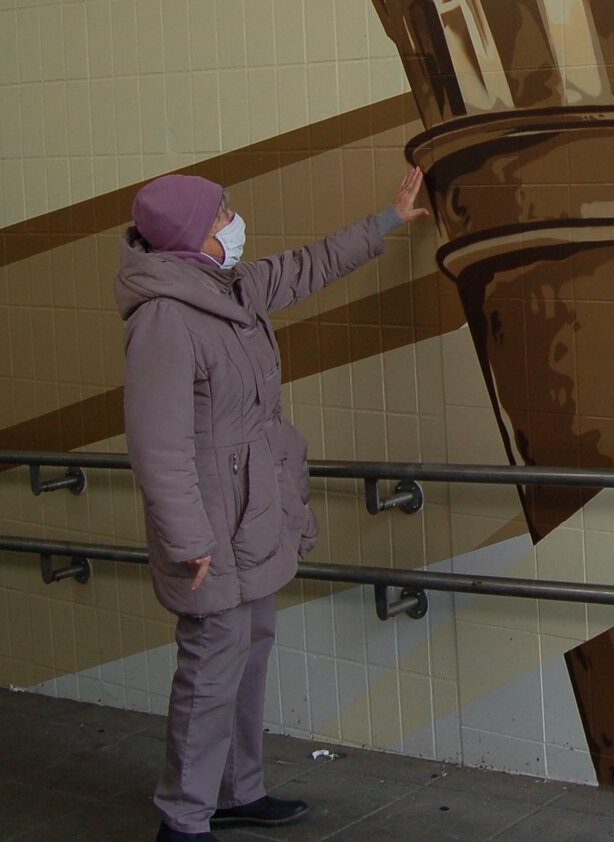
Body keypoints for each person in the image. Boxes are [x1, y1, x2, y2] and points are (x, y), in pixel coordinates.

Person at [117, 169, 429, 840]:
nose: (235, 220)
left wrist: (386, 221)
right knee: (210, 665)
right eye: (221, 214)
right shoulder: (165, 319)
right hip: (208, 526)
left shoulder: (225, 289)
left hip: (252, 510)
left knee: (250, 647)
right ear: (187, 239)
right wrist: (186, 538)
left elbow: (305, 267)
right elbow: (158, 444)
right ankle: (184, 817)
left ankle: (237, 791)